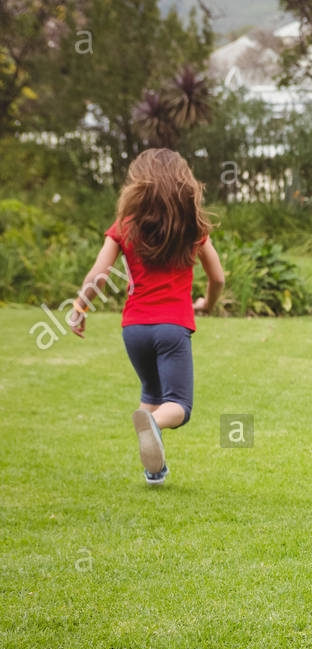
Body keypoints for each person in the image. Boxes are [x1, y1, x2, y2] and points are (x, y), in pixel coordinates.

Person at [72, 148, 224, 486]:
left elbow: (99, 275)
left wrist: (80, 308)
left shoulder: (125, 226)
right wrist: (207, 303)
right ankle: (153, 424)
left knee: (152, 395)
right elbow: (218, 278)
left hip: (134, 329)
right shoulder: (193, 228)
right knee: (179, 405)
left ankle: (154, 471)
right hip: (172, 327)